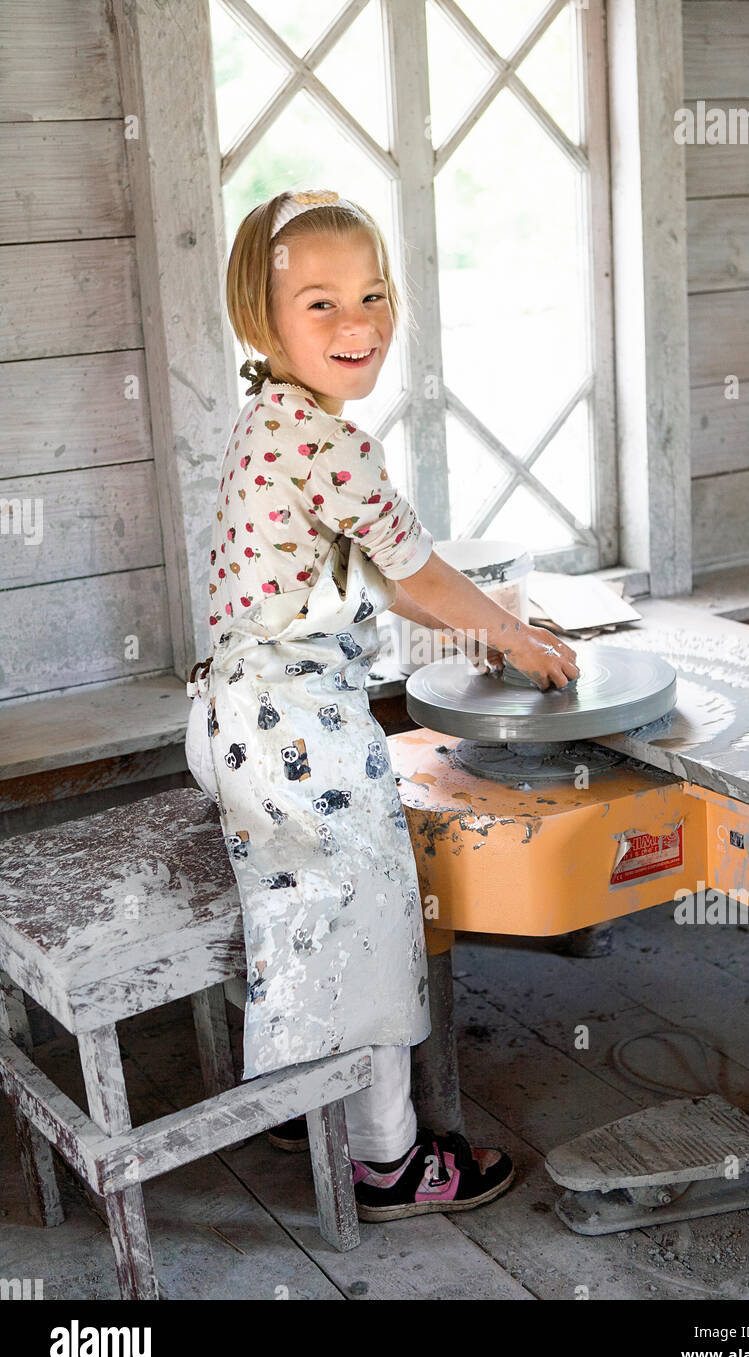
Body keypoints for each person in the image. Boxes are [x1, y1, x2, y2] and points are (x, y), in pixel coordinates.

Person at [184, 187, 580, 1221]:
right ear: (258, 319)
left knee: (296, 915)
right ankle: (389, 1159)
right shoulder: (330, 444)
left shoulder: (271, 416)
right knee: (368, 928)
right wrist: (512, 634)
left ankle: (294, 1096)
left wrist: (491, 620)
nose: (357, 323)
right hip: (296, 733)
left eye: (370, 295)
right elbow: (418, 576)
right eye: (319, 303)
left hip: (232, 717)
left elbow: (395, 579)